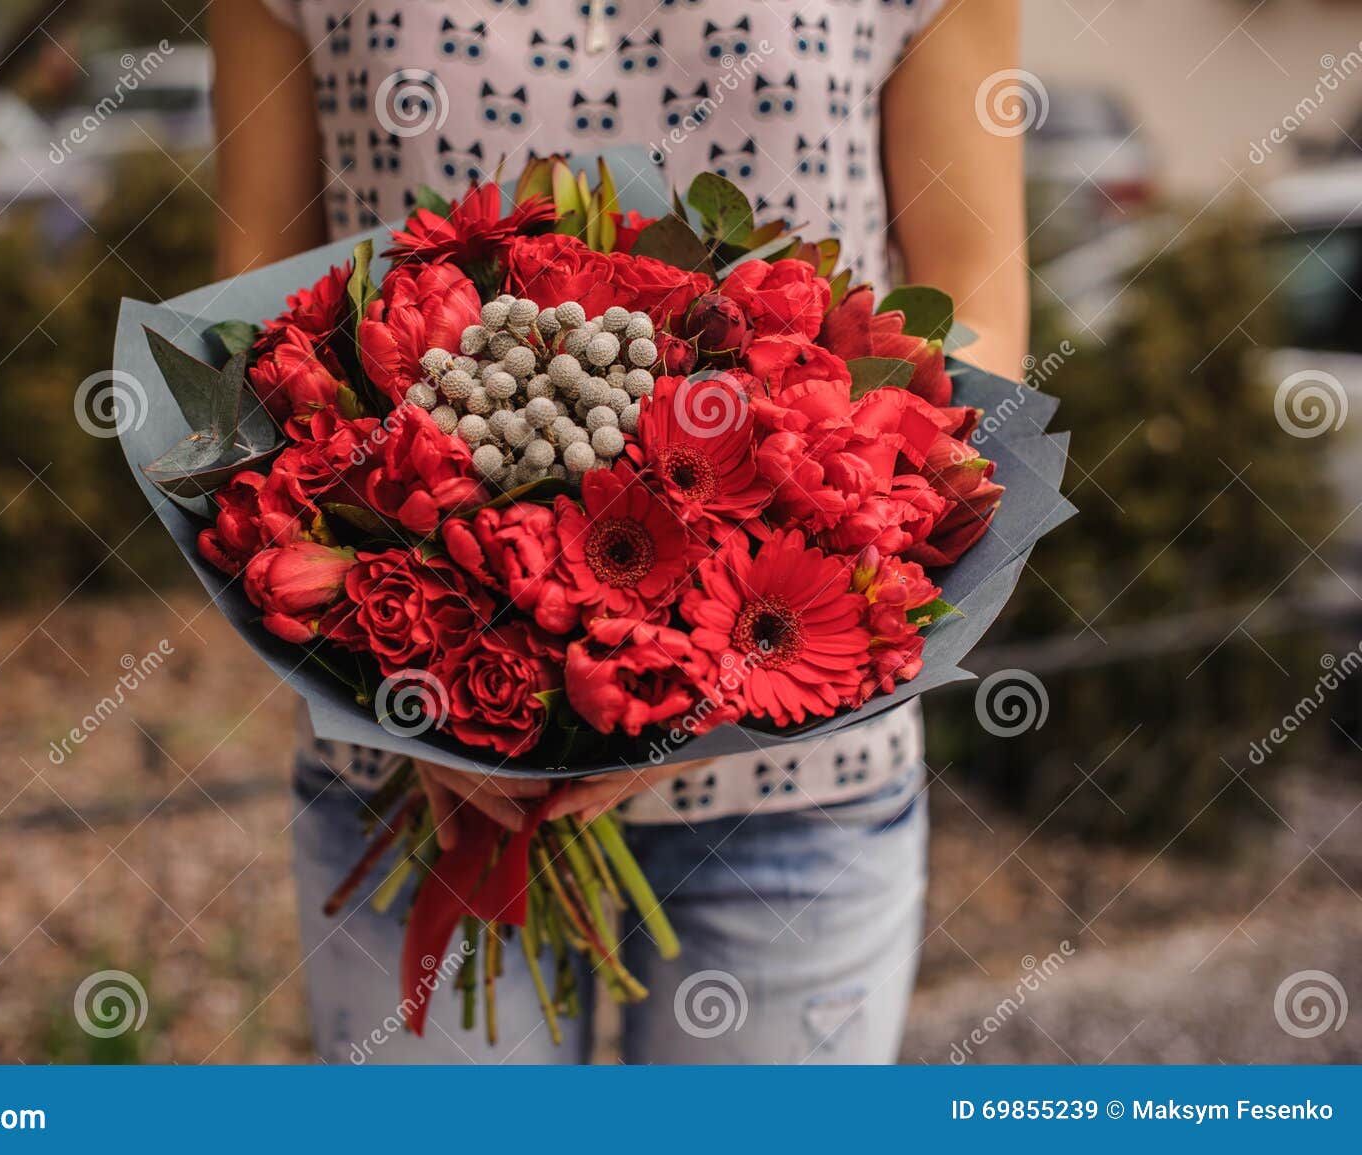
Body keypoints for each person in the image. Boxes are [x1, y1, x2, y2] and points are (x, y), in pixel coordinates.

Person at [208, 0, 1026, 1063]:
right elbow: (253, 337)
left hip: (794, 790)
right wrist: (409, 670)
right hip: (421, 772)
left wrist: (722, 677)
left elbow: (975, 319)